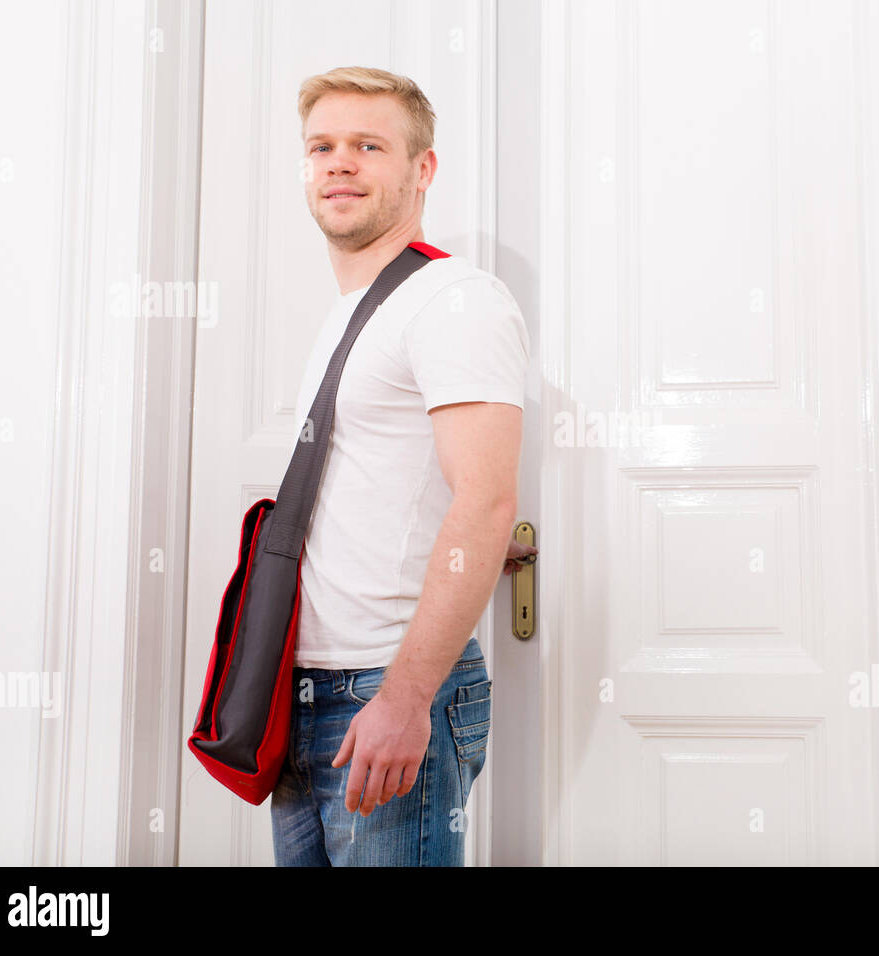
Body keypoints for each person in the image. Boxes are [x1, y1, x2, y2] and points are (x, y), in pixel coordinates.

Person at [270, 66, 536, 866]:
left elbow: (485, 503)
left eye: (367, 145)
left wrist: (406, 696)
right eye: (322, 145)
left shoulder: (455, 300)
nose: (338, 163)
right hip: (311, 693)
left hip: (384, 690)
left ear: (422, 170)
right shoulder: (355, 311)